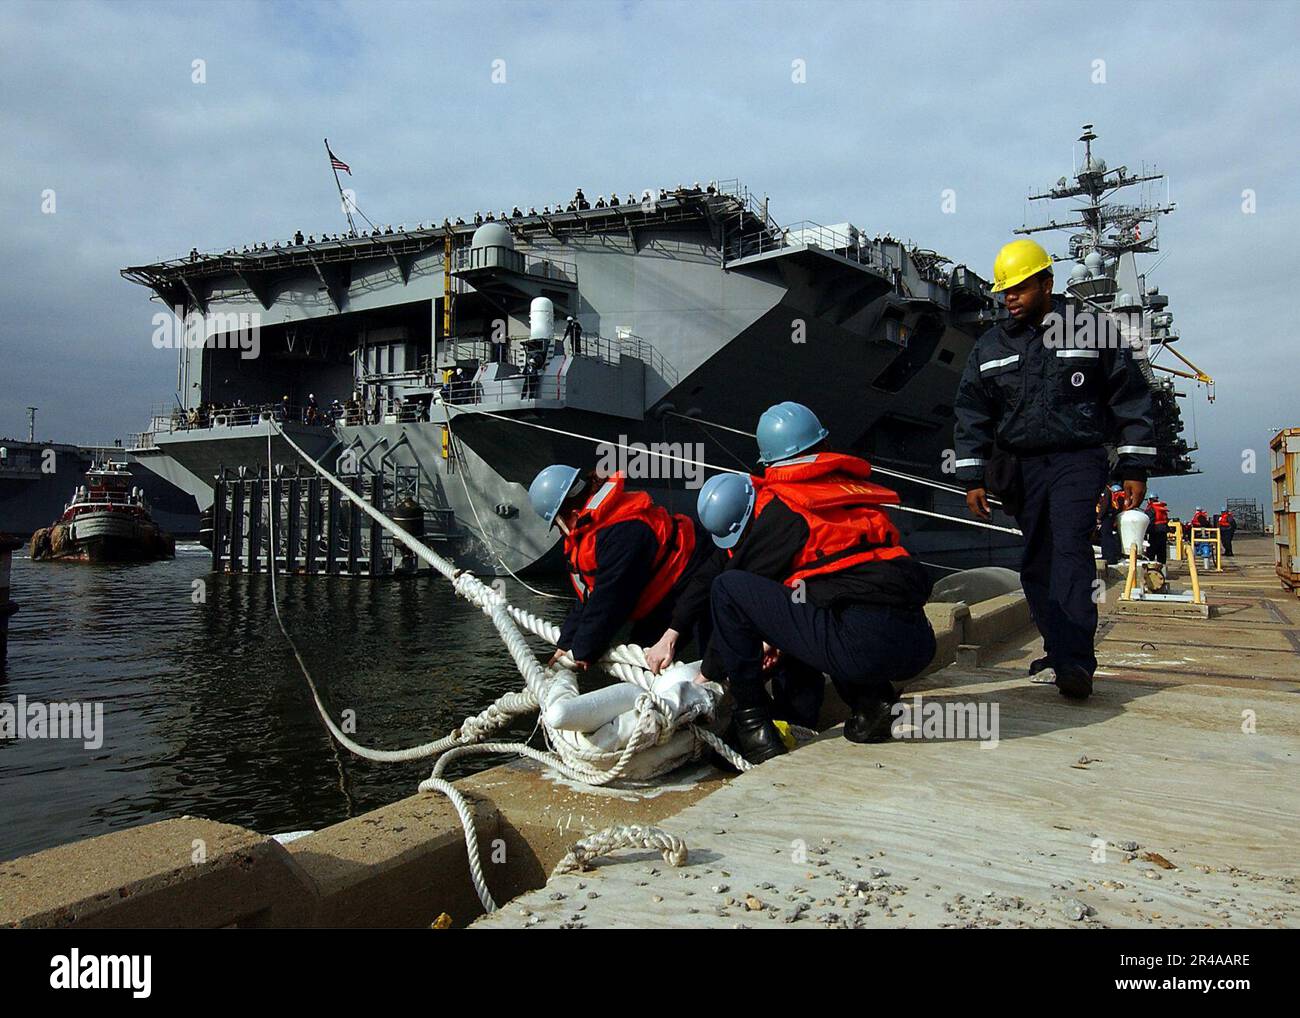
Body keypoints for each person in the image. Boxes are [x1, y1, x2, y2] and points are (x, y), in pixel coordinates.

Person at [954, 238, 1156, 701]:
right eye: (1004, 290)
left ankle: (1076, 661)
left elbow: (1129, 396)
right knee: (1037, 561)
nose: (1010, 298)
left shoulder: (1092, 330)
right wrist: (972, 476)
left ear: (1047, 283)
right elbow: (971, 412)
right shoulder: (989, 345)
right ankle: (1057, 647)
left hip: (1076, 458)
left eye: (1020, 287)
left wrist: (1134, 466)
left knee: (1069, 550)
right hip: (1020, 467)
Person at [690, 402, 936, 764]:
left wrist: (709, 672)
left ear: (768, 461)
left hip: (861, 649)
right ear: (822, 445)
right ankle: (873, 705)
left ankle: (753, 729)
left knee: (728, 588)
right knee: (836, 596)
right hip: (917, 643)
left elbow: (745, 591)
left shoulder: (785, 509)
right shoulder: (855, 495)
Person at [527, 465, 717, 671]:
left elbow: (612, 597)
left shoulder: (621, 532)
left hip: (690, 573)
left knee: (709, 660)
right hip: (662, 586)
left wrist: (584, 651)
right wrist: (566, 642)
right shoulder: (594, 531)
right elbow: (590, 595)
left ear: (570, 514)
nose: (560, 531)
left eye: (557, 524)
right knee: (641, 654)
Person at [1097, 487, 1121, 565]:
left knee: (1107, 537)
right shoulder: (1106, 490)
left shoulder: (1106, 490)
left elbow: (1105, 504)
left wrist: (1099, 517)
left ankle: (1111, 557)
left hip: (1107, 516)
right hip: (1106, 516)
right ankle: (1106, 555)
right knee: (1104, 537)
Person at [1146, 494, 1169, 564]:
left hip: (1154, 531)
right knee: (1162, 551)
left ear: (1150, 500)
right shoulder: (1162, 508)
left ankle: (1150, 567)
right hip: (1163, 531)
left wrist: (1146, 531)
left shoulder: (1151, 508)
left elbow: (1150, 521)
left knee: (1151, 551)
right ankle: (1163, 567)